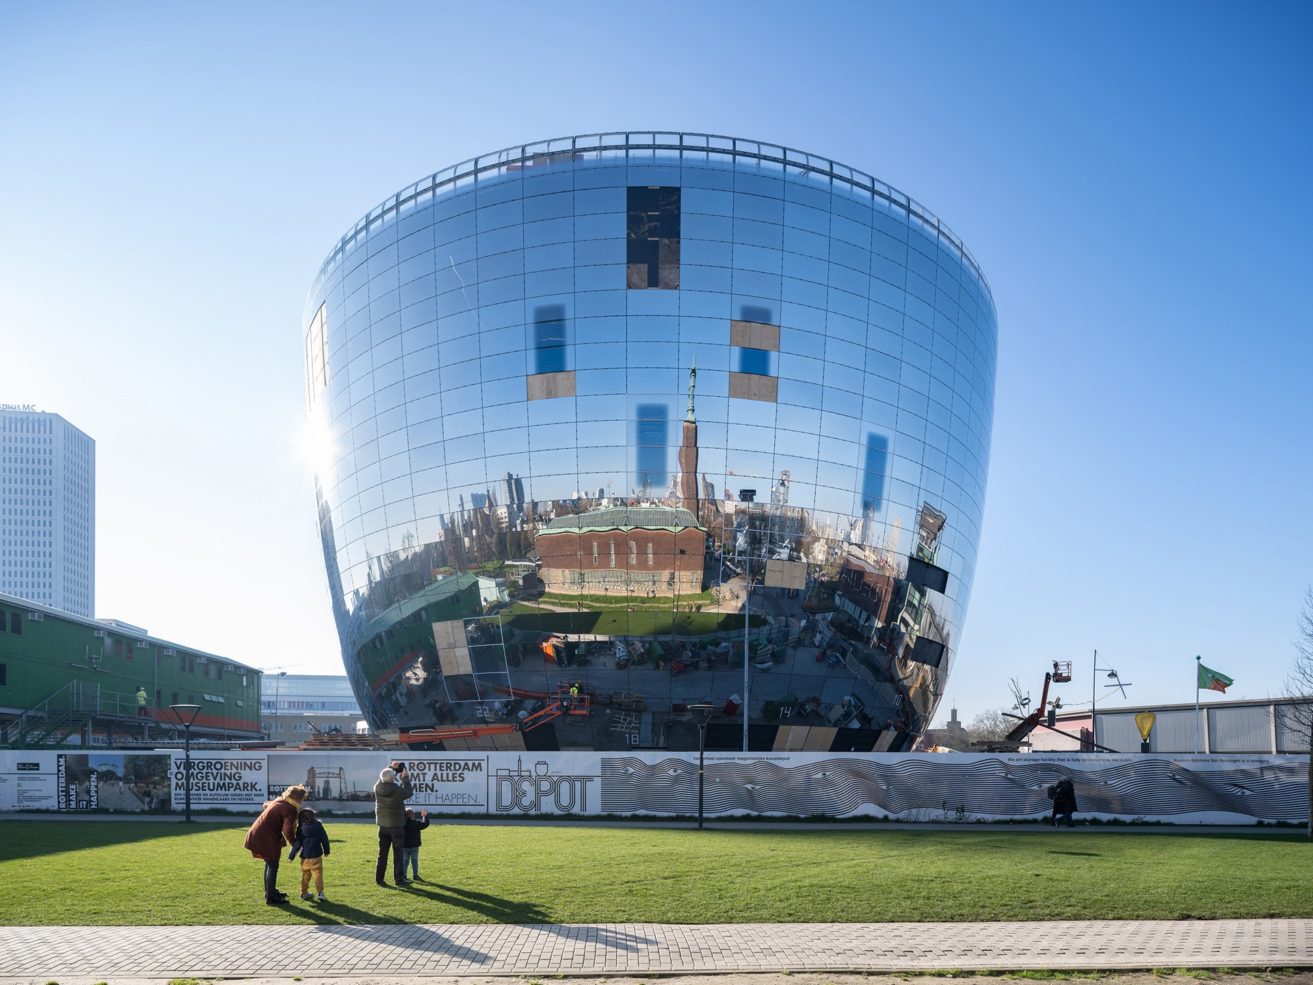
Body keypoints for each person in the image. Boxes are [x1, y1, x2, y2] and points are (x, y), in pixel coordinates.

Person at [244, 785, 308, 904]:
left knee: (269, 864)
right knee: (272, 865)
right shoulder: (290, 809)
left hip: (258, 834)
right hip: (265, 838)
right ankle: (271, 898)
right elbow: (287, 830)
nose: (303, 801)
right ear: (298, 798)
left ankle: (270, 892)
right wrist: (295, 844)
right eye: (303, 798)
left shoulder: (280, 800)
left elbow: (266, 804)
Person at [374, 763, 414, 886]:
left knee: (382, 854)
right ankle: (399, 879)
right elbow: (408, 793)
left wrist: (390, 766)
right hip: (396, 827)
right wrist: (405, 779)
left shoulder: (377, 787)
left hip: (383, 826)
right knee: (398, 854)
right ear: (393, 779)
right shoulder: (396, 789)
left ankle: (379, 879)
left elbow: (383, 776)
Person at [288, 806, 331, 901]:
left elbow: (297, 844)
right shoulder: (318, 826)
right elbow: (325, 839)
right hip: (317, 855)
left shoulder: (300, 829)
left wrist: (291, 856)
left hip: (305, 857)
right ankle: (320, 893)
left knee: (305, 875)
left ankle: (304, 893)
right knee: (318, 874)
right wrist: (327, 851)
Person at [402, 808, 431, 882]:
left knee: (405, 862)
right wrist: (425, 816)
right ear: (412, 815)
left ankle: (404, 876)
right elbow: (425, 824)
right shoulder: (416, 823)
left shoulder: (402, 824)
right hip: (414, 846)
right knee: (414, 861)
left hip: (405, 846)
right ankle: (415, 876)